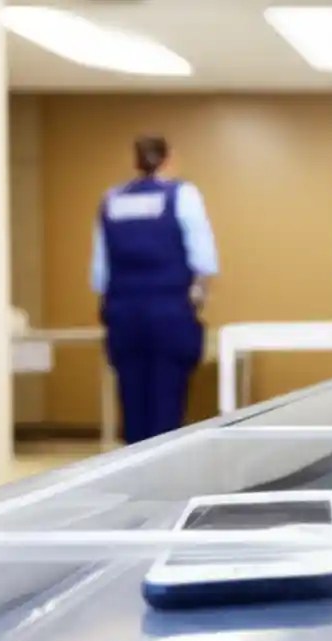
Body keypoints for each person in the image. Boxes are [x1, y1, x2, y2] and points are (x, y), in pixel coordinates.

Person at [91, 135, 218, 444]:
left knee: (132, 401)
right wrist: (198, 297)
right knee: (167, 401)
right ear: (168, 158)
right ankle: (162, 478)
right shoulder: (182, 195)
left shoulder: (112, 199)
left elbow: (99, 273)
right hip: (169, 313)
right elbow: (204, 259)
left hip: (123, 315)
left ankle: (135, 474)